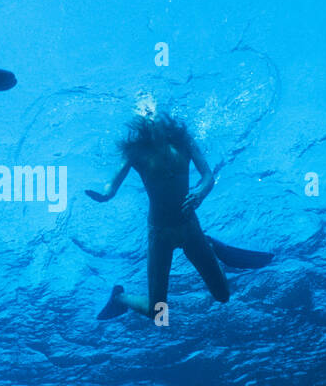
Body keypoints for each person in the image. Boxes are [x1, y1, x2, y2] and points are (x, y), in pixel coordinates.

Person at [88, 111, 271, 321]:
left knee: (223, 296)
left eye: (153, 111)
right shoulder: (136, 152)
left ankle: (210, 246)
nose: (150, 114)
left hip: (190, 227)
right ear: (142, 122)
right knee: (157, 313)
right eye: (145, 112)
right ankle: (119, 297)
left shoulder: (184, 142)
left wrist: (200, 192)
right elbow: (113, 183)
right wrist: (105, 195)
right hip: (160, 234)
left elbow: (208, 176)